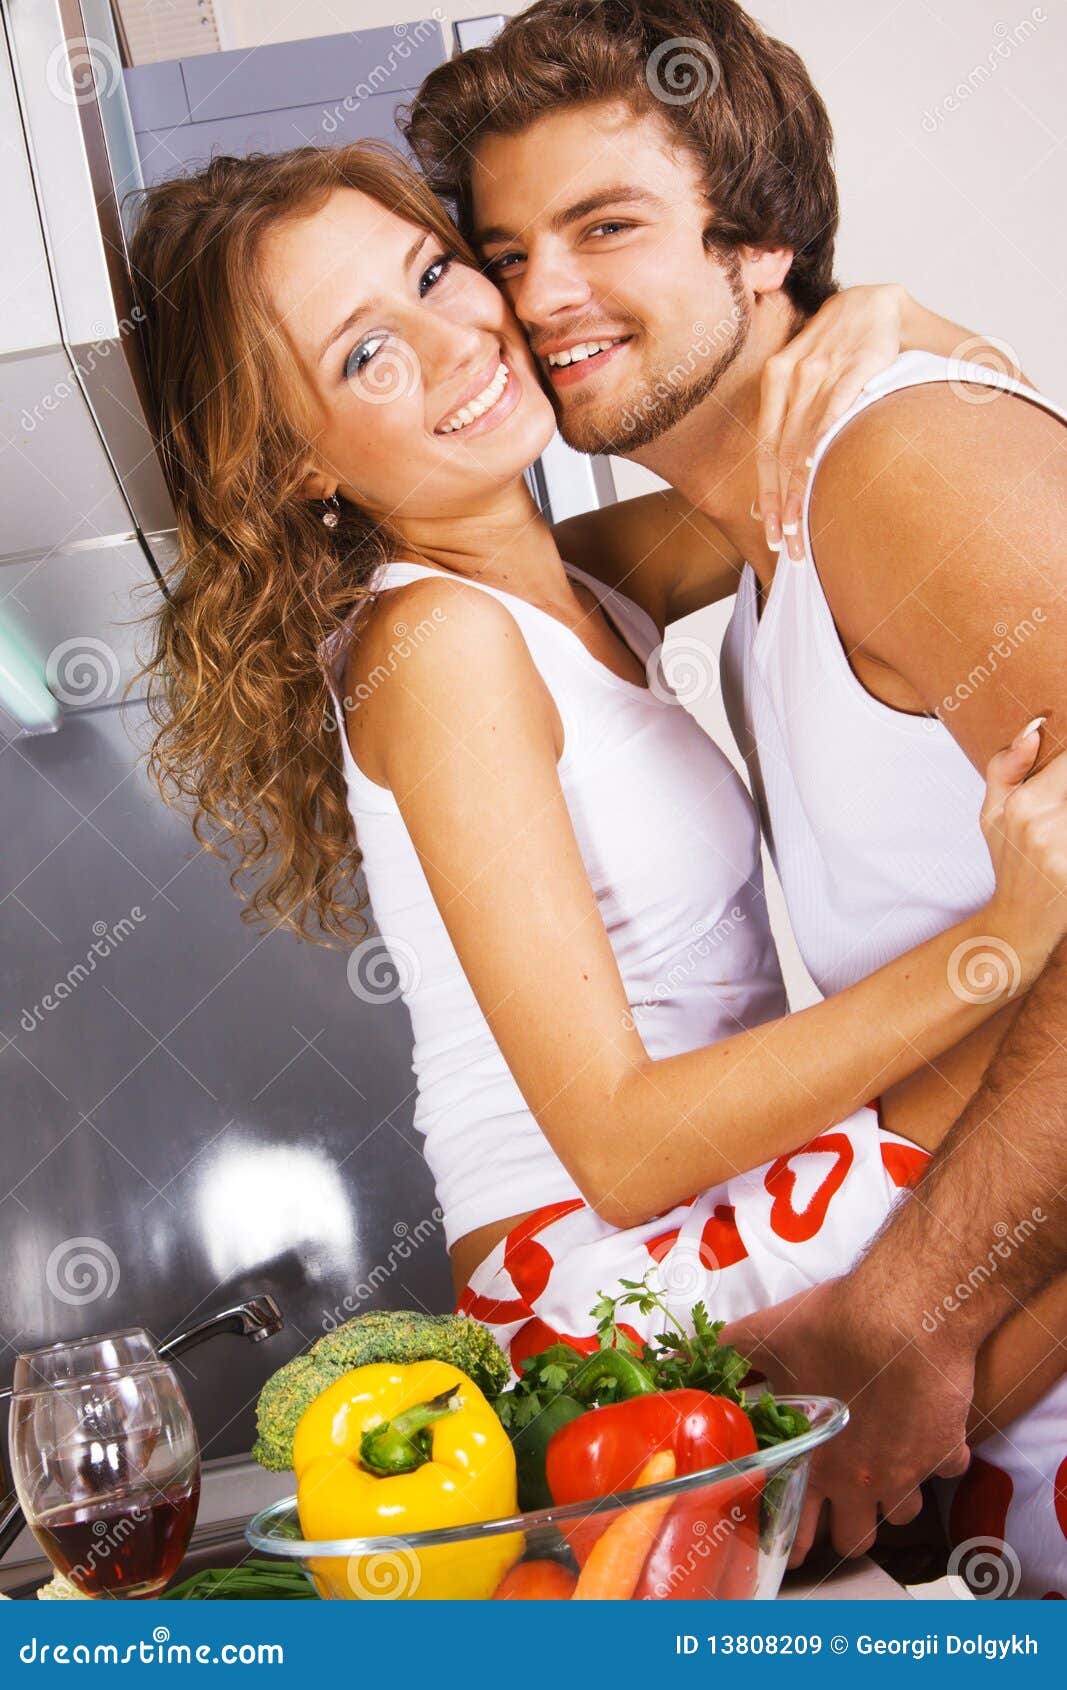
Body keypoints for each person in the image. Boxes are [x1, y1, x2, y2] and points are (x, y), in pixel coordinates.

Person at [128, 142, 1067, 1595]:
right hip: (600, 1285)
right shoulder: (432, 648)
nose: (461, 340)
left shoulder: (572, 580)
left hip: (741, 1201)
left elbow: (818, 448)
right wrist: (996, 940)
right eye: (369, 351)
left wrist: (894, 323)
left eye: (438, 272)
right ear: (296, 463)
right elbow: (622, 1149)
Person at [403, 0, 1067, 1587]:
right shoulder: (765, 544)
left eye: (605, 226)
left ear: (760, 240)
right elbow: (477, 603)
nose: (539, 297)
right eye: (503, 253)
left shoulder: (894, 466)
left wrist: (912, 1308)